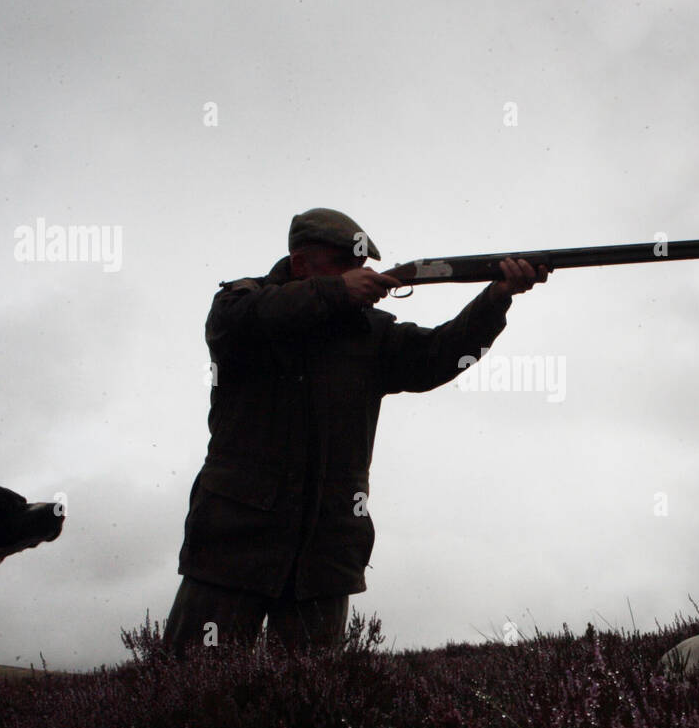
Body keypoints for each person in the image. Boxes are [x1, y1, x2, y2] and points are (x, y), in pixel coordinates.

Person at [165, 208, 549, 656]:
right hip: (233, 542)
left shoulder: (370, 333)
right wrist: (334, 293)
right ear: (302, 263)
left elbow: (441, 355)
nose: (363, 273)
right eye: (348, 262)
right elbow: (238, 322)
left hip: (324, 554)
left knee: (314, 703)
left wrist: (497, 297)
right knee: (190, 683)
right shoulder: (243, 305)